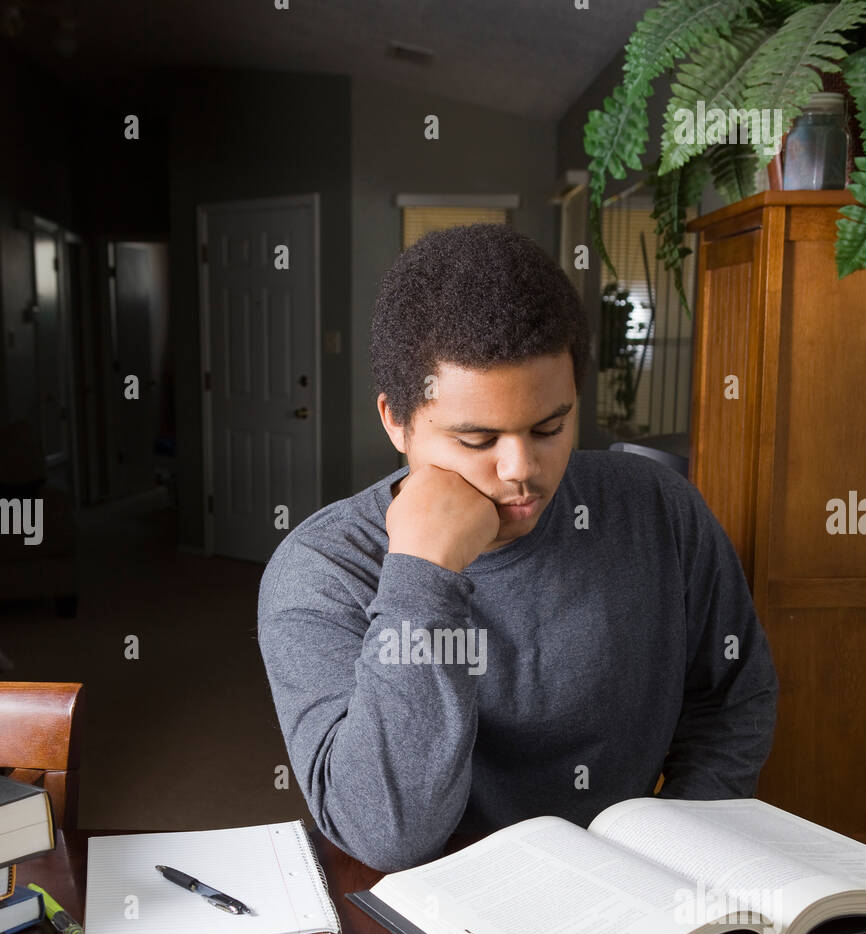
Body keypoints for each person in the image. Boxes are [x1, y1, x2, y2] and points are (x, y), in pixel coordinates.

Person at [258, 224, 778, 872]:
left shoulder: (660, 508)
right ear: (395, 419)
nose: (520, 469)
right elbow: (384, 832)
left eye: (550, 426)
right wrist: (422, 575)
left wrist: (679, 851)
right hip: (438, 910)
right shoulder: (322, 570)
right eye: (476, 440)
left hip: (639, 893)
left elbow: (734, 697)